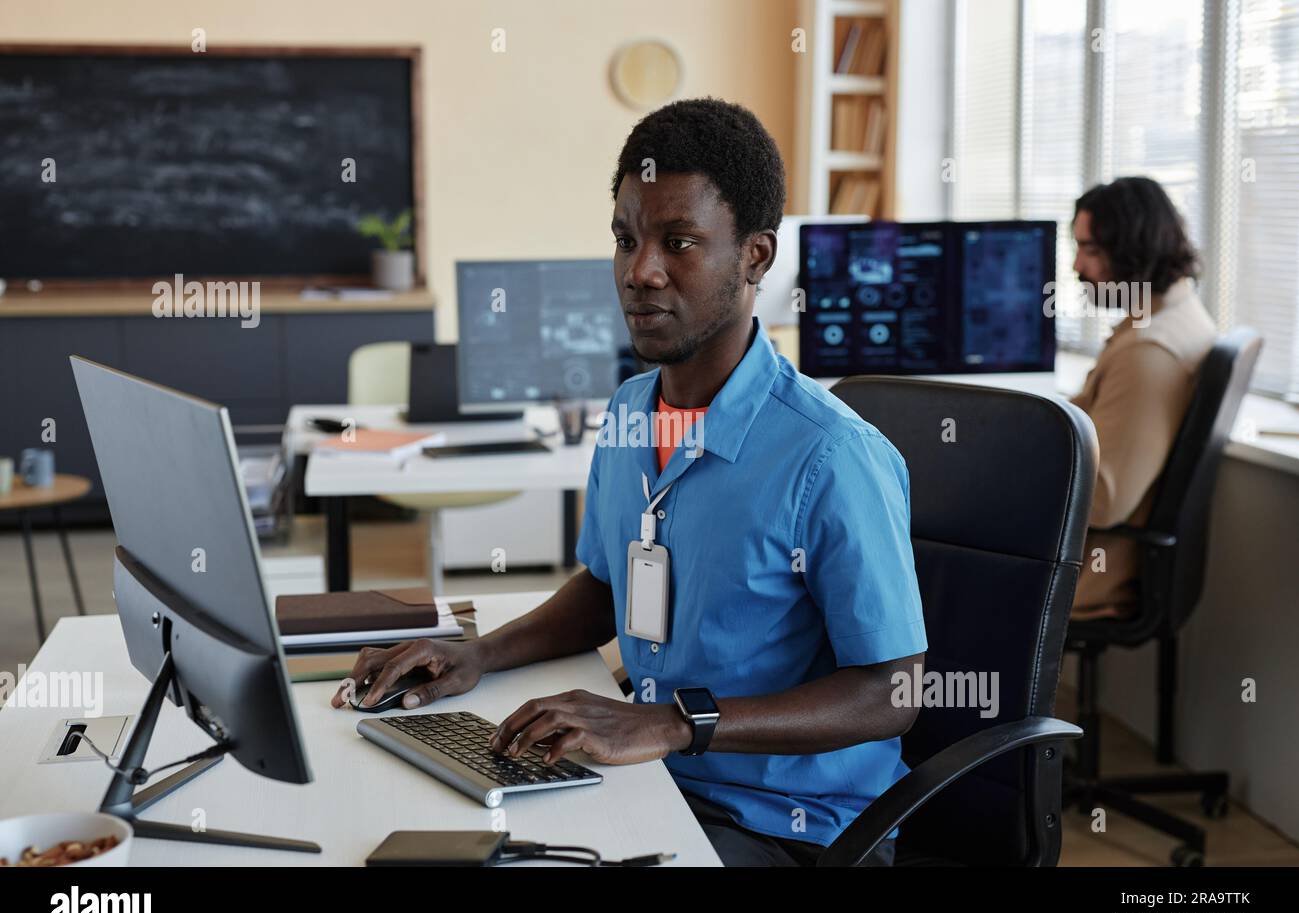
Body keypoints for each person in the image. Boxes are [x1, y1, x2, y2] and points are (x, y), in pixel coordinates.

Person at [331, 97, 928, 866]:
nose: (640, 271)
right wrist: (479, 654)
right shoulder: (630, 411)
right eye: (625, 239)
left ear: (755, 256)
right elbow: (608, 586)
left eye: (677, 242)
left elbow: (894, 692)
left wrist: (677, 723)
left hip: (786, 823)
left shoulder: (832, 455)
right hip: (646, 774)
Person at [1068, 177, 1216, 620]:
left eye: (1091, 250)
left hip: (1090, 575)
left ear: (1134, 249)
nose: (1077, 265)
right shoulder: (1169, 313)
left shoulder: (1149, 353)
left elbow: (1105, 501)